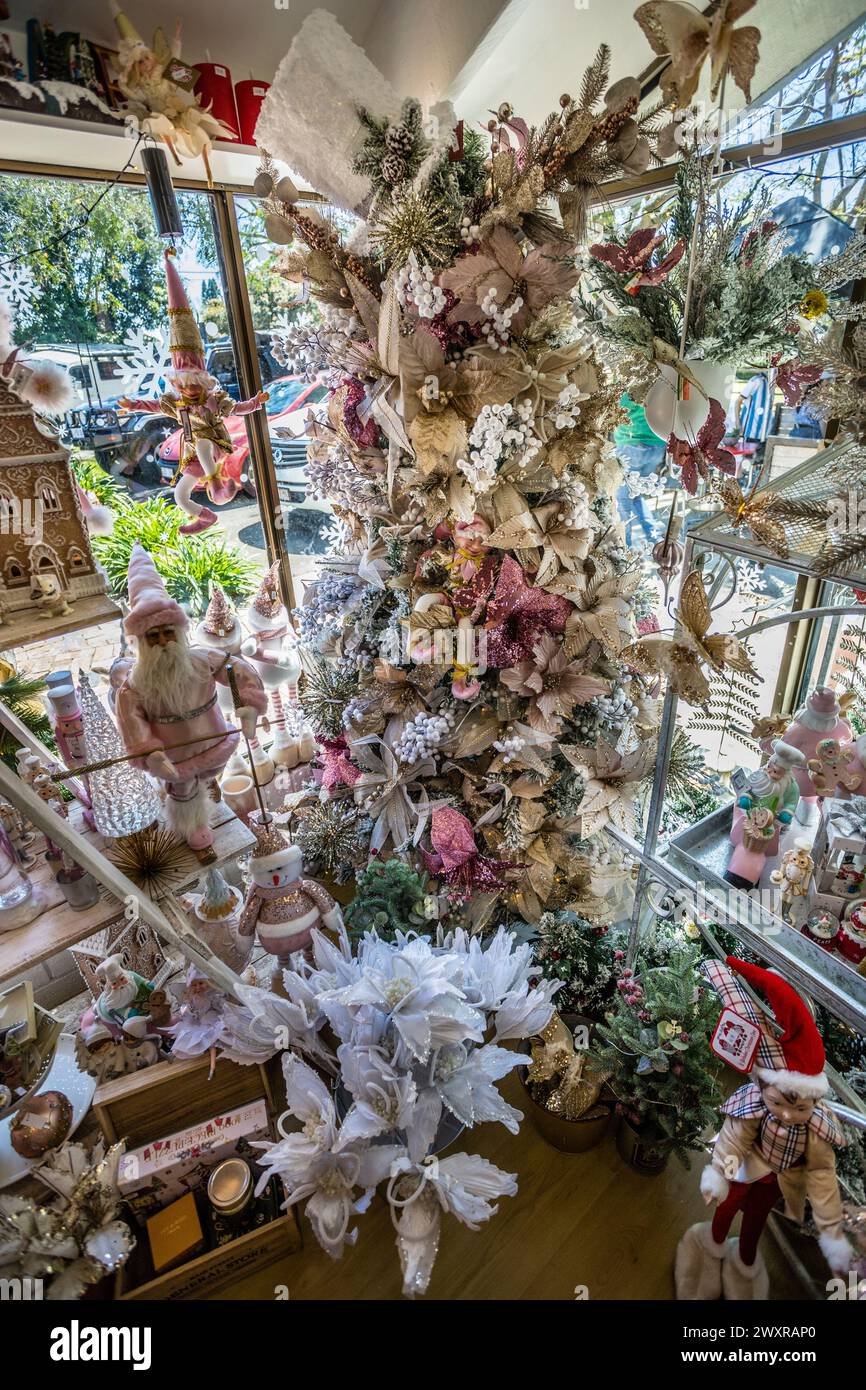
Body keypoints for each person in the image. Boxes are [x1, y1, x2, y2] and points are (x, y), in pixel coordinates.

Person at [613, 393, 663, 547]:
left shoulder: (631, 380)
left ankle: (624, 548)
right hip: (657, 446)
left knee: (622, 500)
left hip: (633, 445)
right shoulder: (658, 384)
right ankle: (655, 538)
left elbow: (616, 411)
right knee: (635, 494)